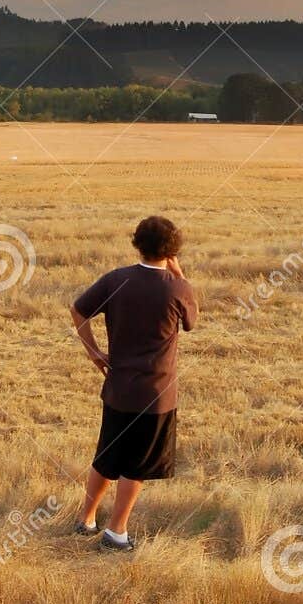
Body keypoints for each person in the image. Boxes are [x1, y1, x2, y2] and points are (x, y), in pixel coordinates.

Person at [70, 215, 198, 552]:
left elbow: (78, 310)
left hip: (117, 388)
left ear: (137, 244)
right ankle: (117, 532)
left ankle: (86, 519)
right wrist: (180, 275)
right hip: (155, 395)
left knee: (106, 457)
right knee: (137, 464)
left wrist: (94, 352)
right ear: (172, 251)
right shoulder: (177, 288)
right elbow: (191, 322)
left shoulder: (117, 279)